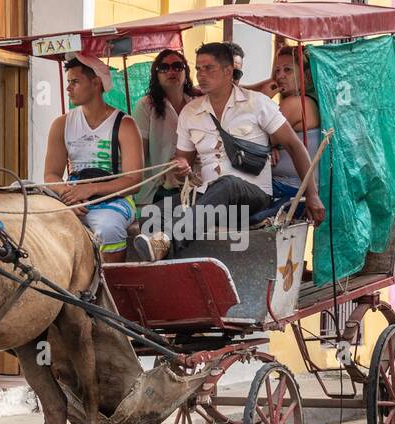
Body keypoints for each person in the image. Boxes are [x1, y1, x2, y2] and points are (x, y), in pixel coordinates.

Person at [132, 42, 325, 260]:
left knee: (228, 183)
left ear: (227, 71)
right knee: (152, 213)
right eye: (198, 69)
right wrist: (180, 168)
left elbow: (294, 146)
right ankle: (173, 275)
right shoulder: (190, 112)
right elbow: (182, 162)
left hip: (253, 194)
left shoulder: (257, 104)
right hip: (207, 194)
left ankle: (167, 239)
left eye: (209, 68)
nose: (201, 75)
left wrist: (312, 195)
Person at [43, 54, 144, 262]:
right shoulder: (61, 124)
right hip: (72, 197)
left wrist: (91, 189)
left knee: (108, 227)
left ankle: (109, 288)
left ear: (96, 83)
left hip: (114, 200)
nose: (68, 88)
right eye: (68, 82)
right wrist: (68, 194)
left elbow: (134, 182)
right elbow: (51, 174)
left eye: (75, 82)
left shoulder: (125, 124)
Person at [131, 48, 197, 208]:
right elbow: (139, 154)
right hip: (154, 190)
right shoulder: (146, 105)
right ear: (157, 74)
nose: (171, 71)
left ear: (185, 72)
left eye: (177, 66)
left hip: (195, 186)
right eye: (164, 68)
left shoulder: (197, 104)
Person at [268, 46, 324, 203]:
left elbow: (255, 141)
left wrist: (262, 98)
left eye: (288, 70)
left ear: (306, 76)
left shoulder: (295, 104)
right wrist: (271, 146)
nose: (280, 76)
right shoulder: (311, 101)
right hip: (293, 189)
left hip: (289, 191)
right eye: (277, 71)